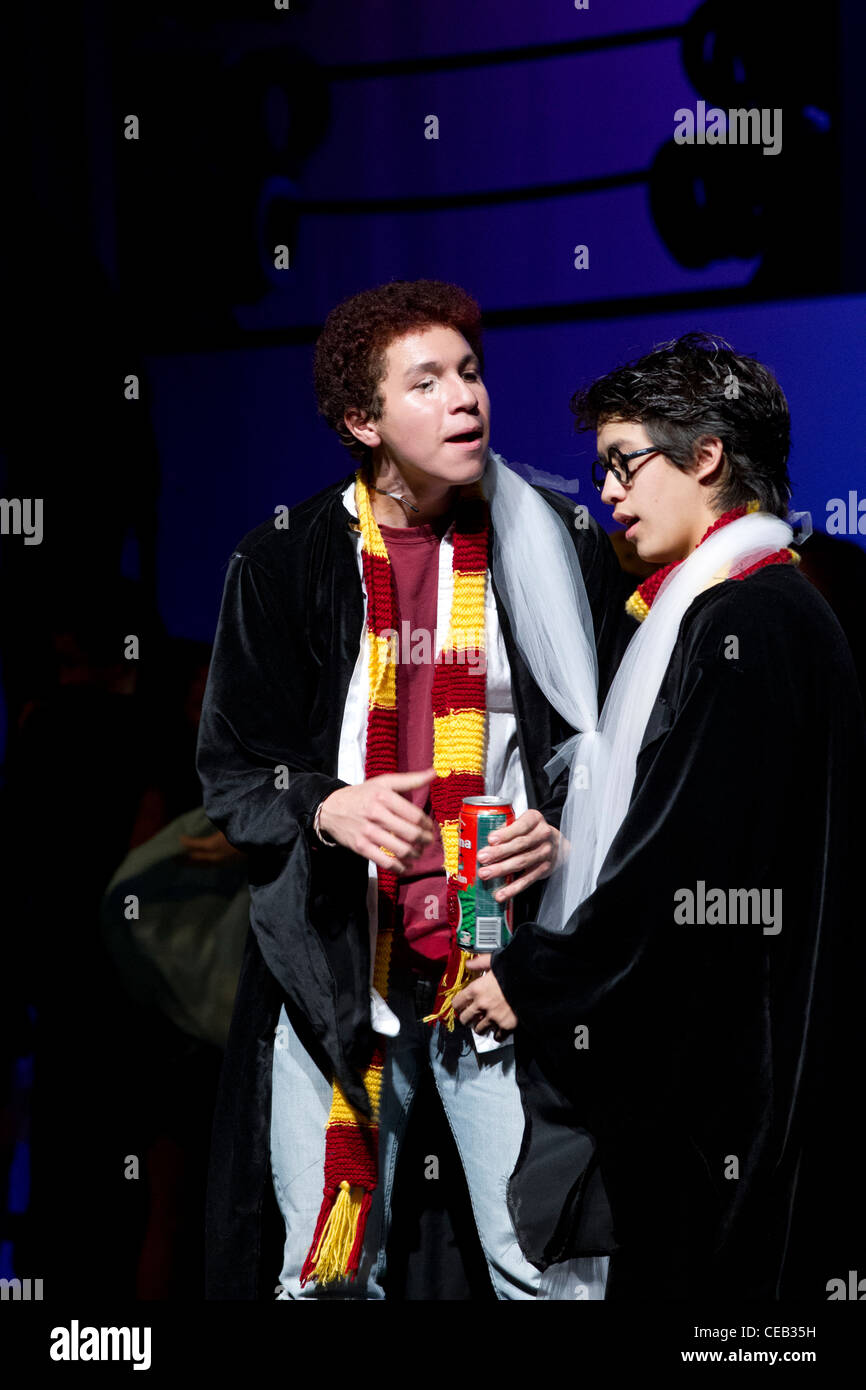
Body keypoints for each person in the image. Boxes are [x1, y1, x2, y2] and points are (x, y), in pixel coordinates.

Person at [196, 279, 632, 1300]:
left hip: (498, 953)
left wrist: (566, 838)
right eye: (426, 382)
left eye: (469, 373)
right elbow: (231, 770)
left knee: (551, 1270)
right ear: (362, 420)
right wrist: (322, 802)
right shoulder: (283, 558)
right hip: (339, 967)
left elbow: (616, 749)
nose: (463, 398)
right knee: (332, 1274)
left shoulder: (557, 541)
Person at [454, 332, 866, 1299]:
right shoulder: (753, 603)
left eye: (625, 463)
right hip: (738, 1057)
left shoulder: (747, 621)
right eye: (602, 470)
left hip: (745, 1080)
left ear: (709, 457)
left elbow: (686, 862)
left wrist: (540, 974)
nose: (609, 494)